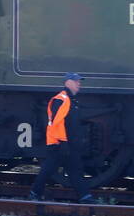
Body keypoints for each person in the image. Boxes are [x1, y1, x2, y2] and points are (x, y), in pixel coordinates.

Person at [27, 72, 95, 203]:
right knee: (48, 169)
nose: (79, 84)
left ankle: (85, 197)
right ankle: (34, 192)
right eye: (76, 82)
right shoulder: (61, 100)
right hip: (59, 144)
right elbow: (57, 123)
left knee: (75, 170)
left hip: (68, 144)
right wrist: (63, 143)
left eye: (79, 82)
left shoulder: (70, 100)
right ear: (68, 82)